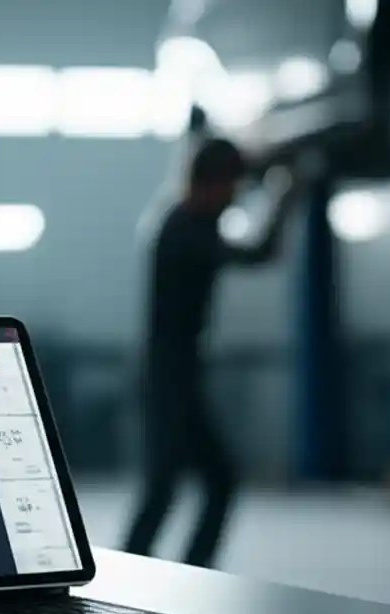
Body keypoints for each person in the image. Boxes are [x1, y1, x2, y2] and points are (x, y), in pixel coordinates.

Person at [124, 137, 301, 567]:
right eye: (233, 184)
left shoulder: (186, 222)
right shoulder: (185, 228)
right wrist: (282, 197)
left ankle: (181, 572)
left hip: (176, 372)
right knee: (168, 490)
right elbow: (259, 254)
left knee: (199, 484)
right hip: (169, 377)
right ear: (213, 183)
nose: (236, 195)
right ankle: (130, 575)